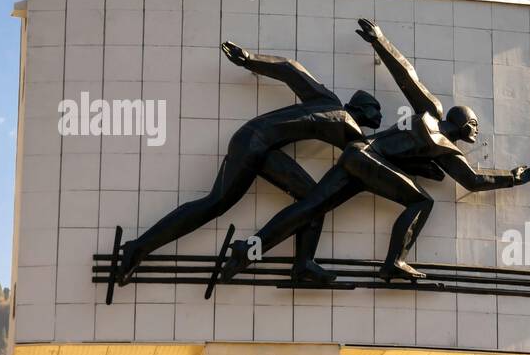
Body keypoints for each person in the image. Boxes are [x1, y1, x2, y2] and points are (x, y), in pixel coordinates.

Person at [221, 19, 530, 283]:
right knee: (421, 201)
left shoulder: (449, 153)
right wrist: (381, 42)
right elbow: (406, 76)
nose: (477, 131)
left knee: (310, 208)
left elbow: (474, 181)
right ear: (465, 122)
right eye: (475, 125)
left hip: (359, 161)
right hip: (366, 159)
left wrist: (511, 177)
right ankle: (394, 263)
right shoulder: (431, 113)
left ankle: (248, 251)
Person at [114, 42, 381, 286]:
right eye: (375, 109)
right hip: (253, 142)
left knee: (313, 201)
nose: (379, 116)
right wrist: (249, 59)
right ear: (361, 108)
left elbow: (290, 70)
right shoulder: (342, 116)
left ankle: (302, 264)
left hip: (261, 147)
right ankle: (137, 248)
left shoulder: (328, 103)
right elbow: (291, 71)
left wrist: (249, 59)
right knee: (215, 203)